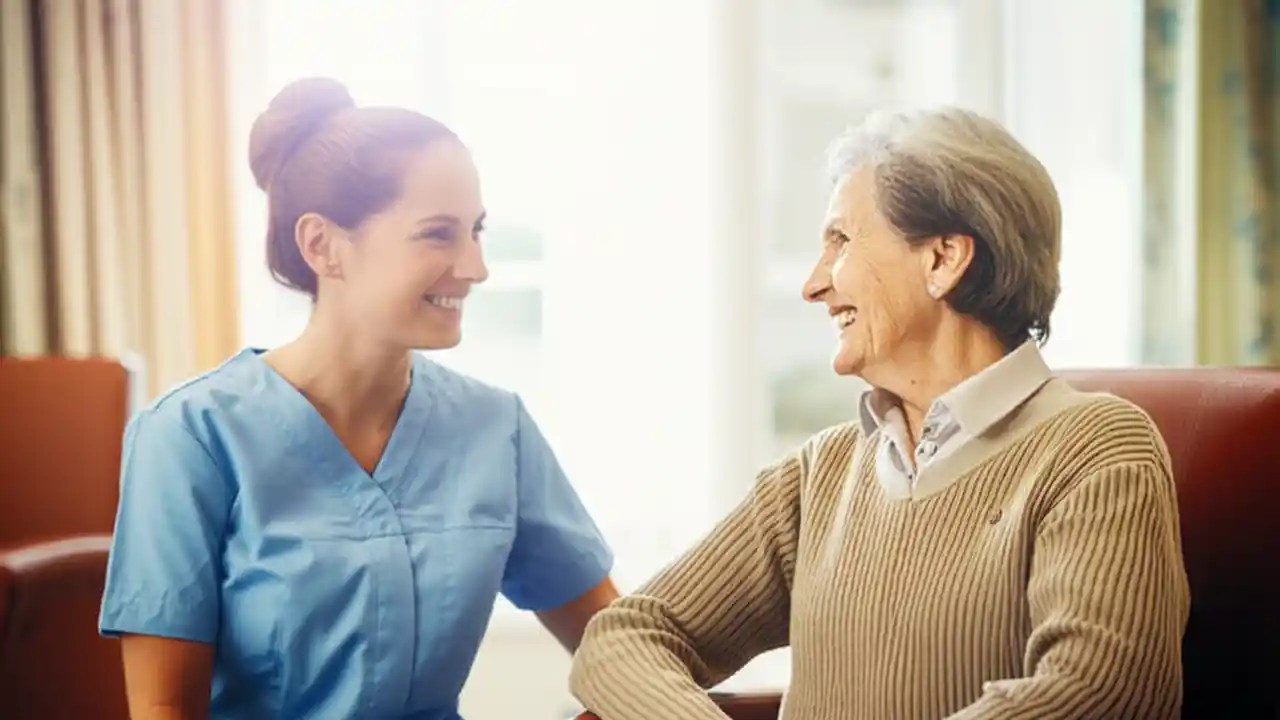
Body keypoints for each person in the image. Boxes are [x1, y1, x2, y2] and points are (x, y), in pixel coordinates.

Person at [570, 107, 1190, 719]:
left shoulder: (1098, 450)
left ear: (943, 259)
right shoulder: (823, 472)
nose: (813, 284)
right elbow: (624, 638)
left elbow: (1102, 690)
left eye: (840, 239)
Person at [99, 77, 618, 720]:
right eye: (438, 234)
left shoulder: (496, 429)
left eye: (477, 231)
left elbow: (622, 650)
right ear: (322, 245)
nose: (477, 267)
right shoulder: (189, 437)